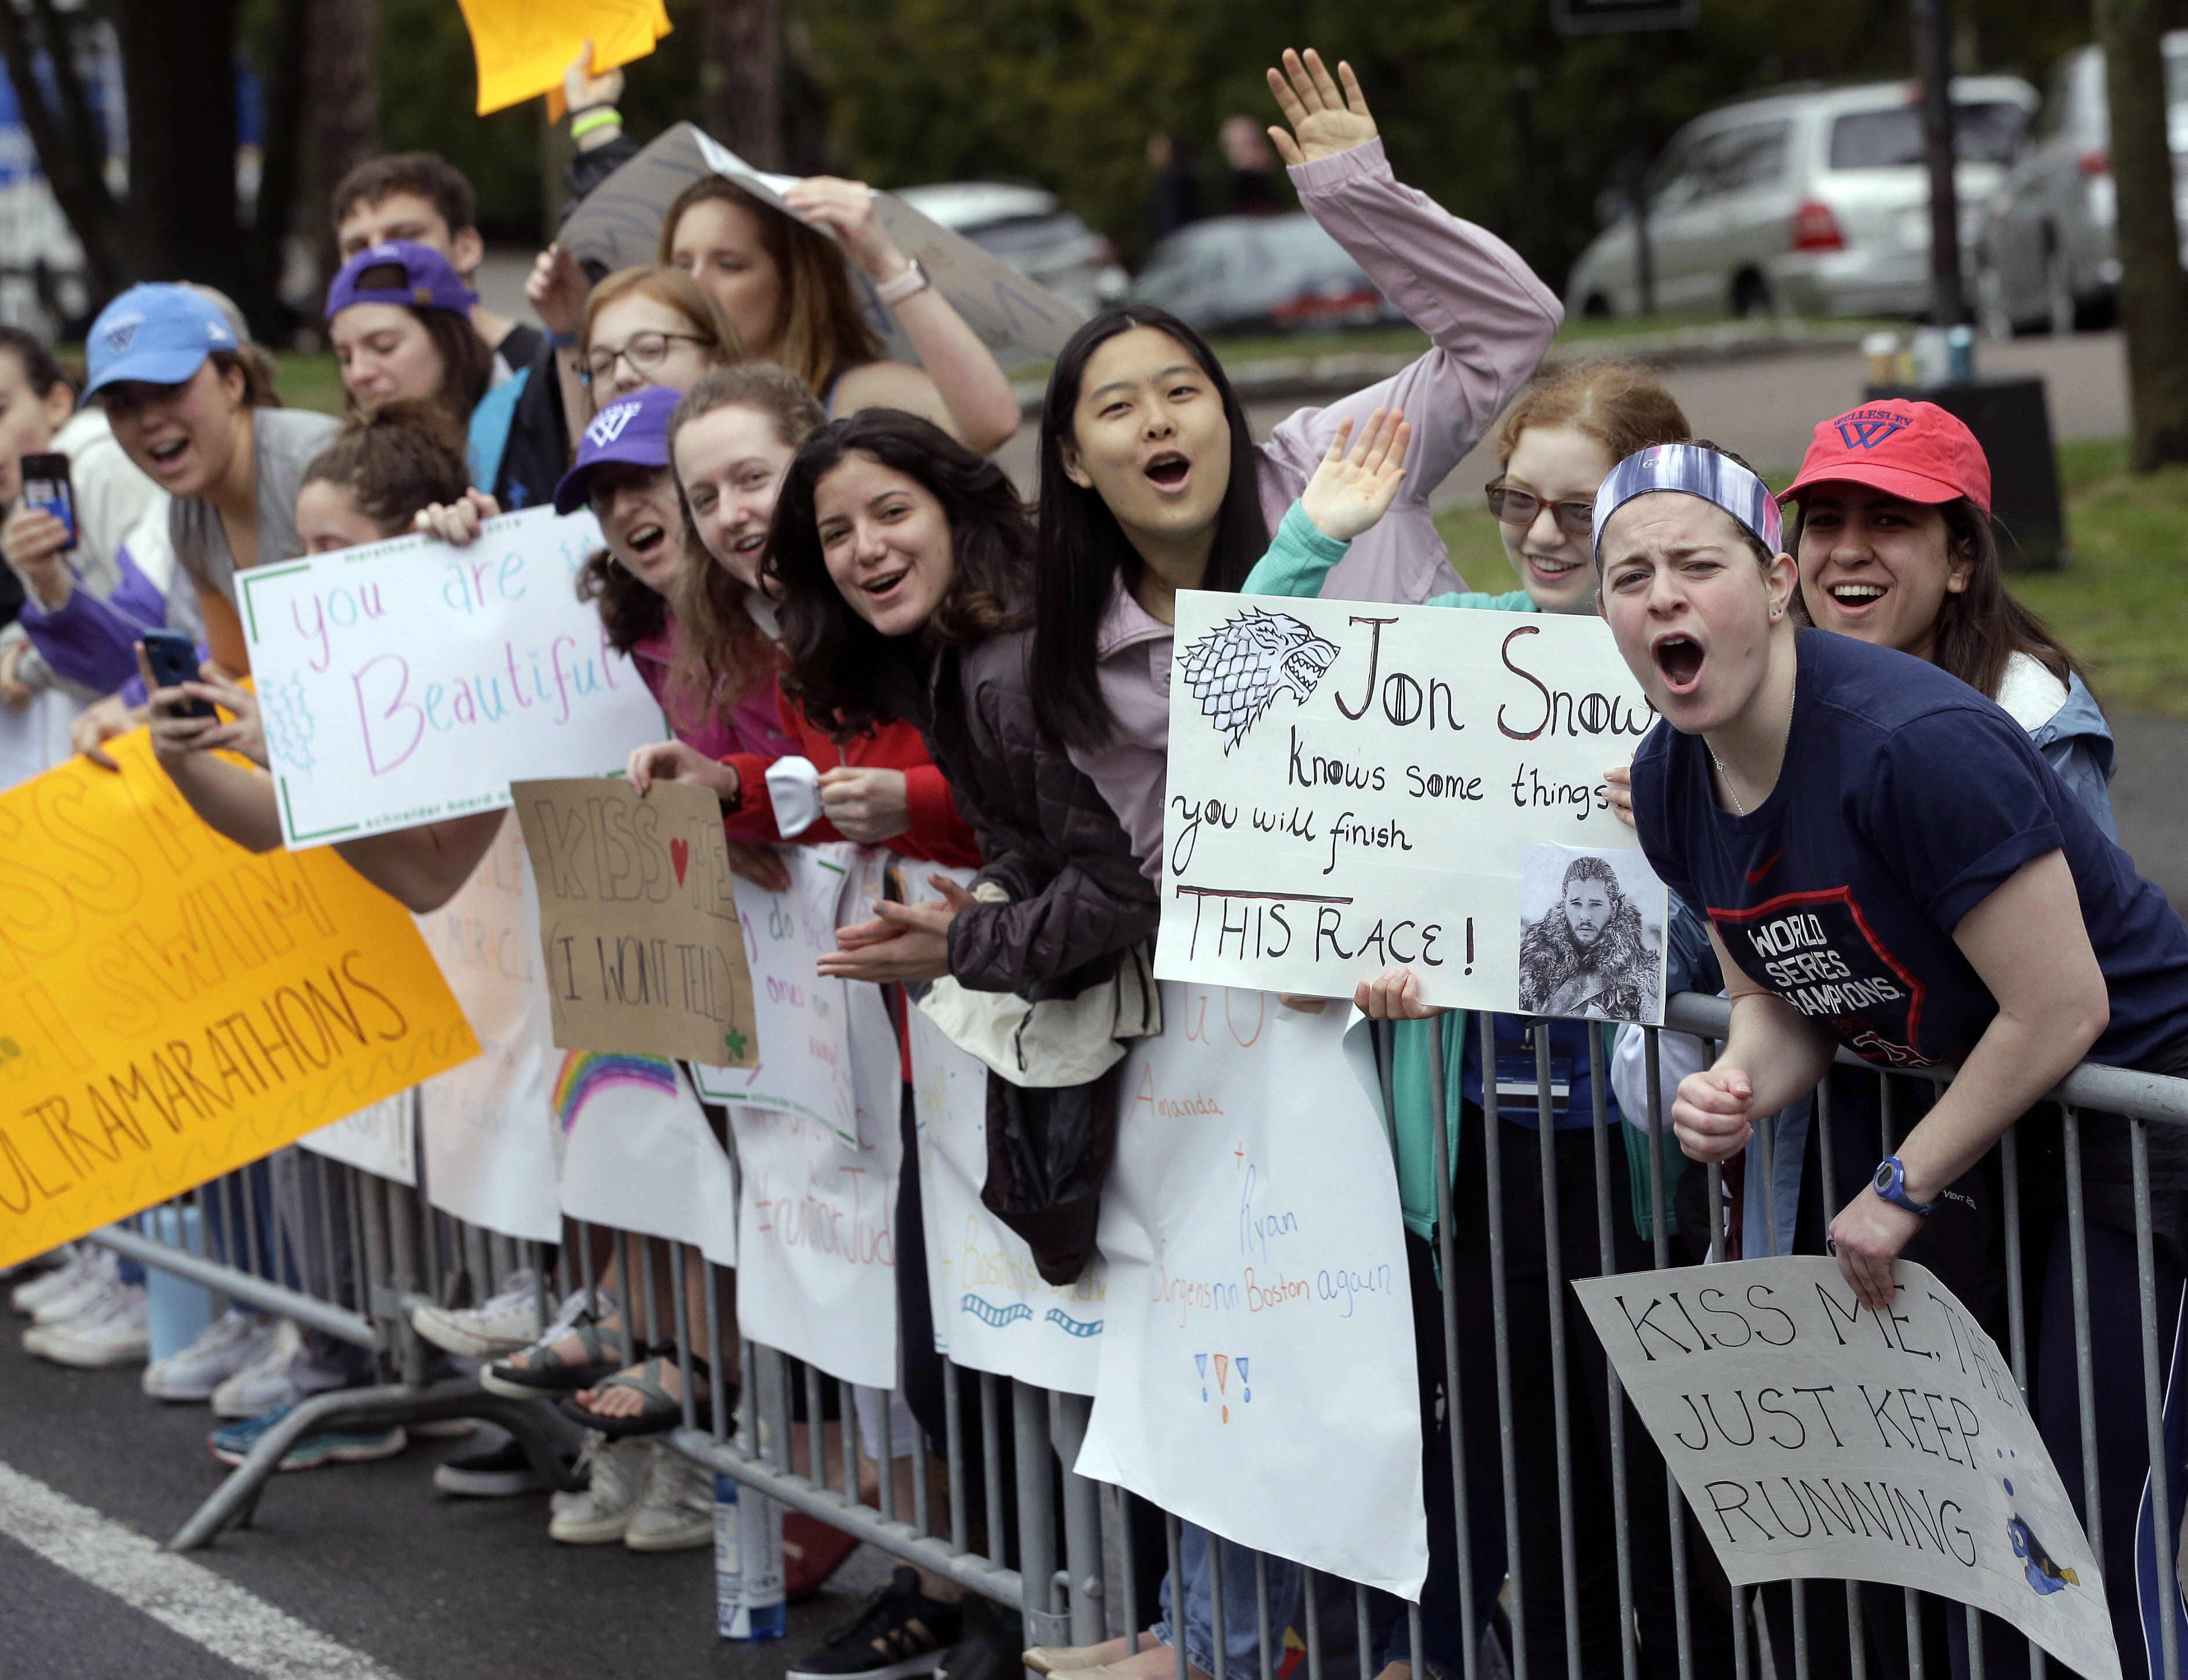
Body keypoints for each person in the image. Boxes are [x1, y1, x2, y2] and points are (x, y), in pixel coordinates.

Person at [1595, 437, 2188, 1678]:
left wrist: (1901, 1183)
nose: (1661, 596)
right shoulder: (1667, 781)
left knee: (2080, 1523)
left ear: (1775, 582)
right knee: (1944, 1524)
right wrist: (1734, 1084)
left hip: (2133, 1130)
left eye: (1696, 564)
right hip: (1974, 1120)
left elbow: (2062, 1008)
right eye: (1629, 574)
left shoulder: (1913, 742)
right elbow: (1783, 994)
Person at [1251, 398, 1722, 1680]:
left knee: (1675, 1528)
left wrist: (1671, 827)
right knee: (1545, 1527)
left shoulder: (1702, 673)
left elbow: (1728, 932)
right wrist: (1313, 535)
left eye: (1583, 509)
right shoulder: (1457, 643)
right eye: (1520, 501)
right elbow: (1251, 693)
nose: (1546, 535)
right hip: (1481, 1167)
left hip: (1644, 1179)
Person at [762, 404, 1156, 1680]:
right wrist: (986, 908)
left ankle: (1128, 1634)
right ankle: (1064, 1624)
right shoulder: (954, 658)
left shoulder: (1003, 661)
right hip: (1072, 1052)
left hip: (1150, 1068)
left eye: (891, 512)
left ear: (955, 507)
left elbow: (1119, 891)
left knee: (1099, 1393)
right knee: (999, 1383)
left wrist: (964, 943)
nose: (867, 549)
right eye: (836, 534)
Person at [1033, 48, 1562, 889]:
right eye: (1117, 408)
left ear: (1226, 409)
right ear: (1074, 460)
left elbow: (1512, 328)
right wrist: (1311, 955)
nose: (1160, 420)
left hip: (1507, 910)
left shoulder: (1337, 458)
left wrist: (1362, 195)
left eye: (1181, 389)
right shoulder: (1089, 664)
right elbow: (1181, 863)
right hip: (1345, 994)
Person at [139, 402, 501, 1471]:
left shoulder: (477, 646)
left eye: (332, 549)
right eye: (299, 550)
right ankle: (399, 1370)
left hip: (507, 1000)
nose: (304, 574)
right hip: (426, 1009)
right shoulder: (325, 664)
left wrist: (296, 762)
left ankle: (546, 1421)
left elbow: (433, 872)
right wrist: (186, 763)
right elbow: (277, 828)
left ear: (411, 535)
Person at [657, 169, 1020, 450]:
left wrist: (888, 267)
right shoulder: (652, 397)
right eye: (682, 265)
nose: (696, 285)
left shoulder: (856, 397)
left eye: (728, 265)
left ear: (791, 288)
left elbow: (991, 425)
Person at [0, 325, 169, 716]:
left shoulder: (99, 463)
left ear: (58, 403)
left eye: (0, 410)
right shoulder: (23, 510)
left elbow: (150, 637)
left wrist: (34, 663)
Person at [331, 151, 543, 381]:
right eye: (358, 248)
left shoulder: (539, 367)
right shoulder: (362, 373)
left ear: (466, 249)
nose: (378, 258)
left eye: (403, 238)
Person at [326, 240, 495, 431]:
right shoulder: (336, 453)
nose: (359, 374)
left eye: (384, 346)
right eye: (345, 358)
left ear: (450, 341)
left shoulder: (518, 429)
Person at [1518, 853, 1658, 1020]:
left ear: (1613, 909)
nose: (1585, 916)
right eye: (1576, 904)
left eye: (1596, 905)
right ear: (1564, 906)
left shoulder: (1641, 973)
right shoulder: (1534, 965)